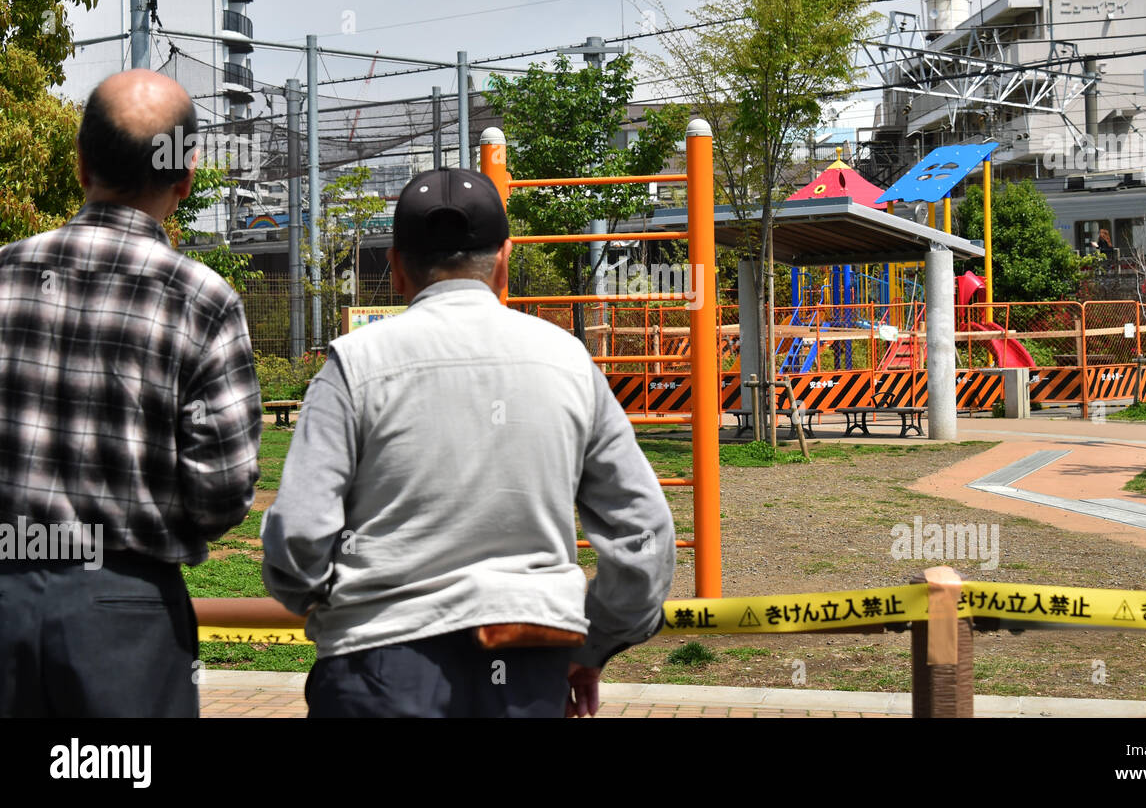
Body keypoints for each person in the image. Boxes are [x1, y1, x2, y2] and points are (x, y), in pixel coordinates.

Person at [260, 167, 675, 718]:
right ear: (504, 258)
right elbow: (643, 532)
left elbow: (297, 536)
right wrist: (593, 641)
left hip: (377, 668)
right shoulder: (568, 360)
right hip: (526, 667)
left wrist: (333, 607)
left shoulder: (354, 365)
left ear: (397, 266)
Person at [0, 69, 263, 717]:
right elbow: (222, 493)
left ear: (82, 160)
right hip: (127, 617)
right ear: (187, 176)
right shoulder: (204, 301)